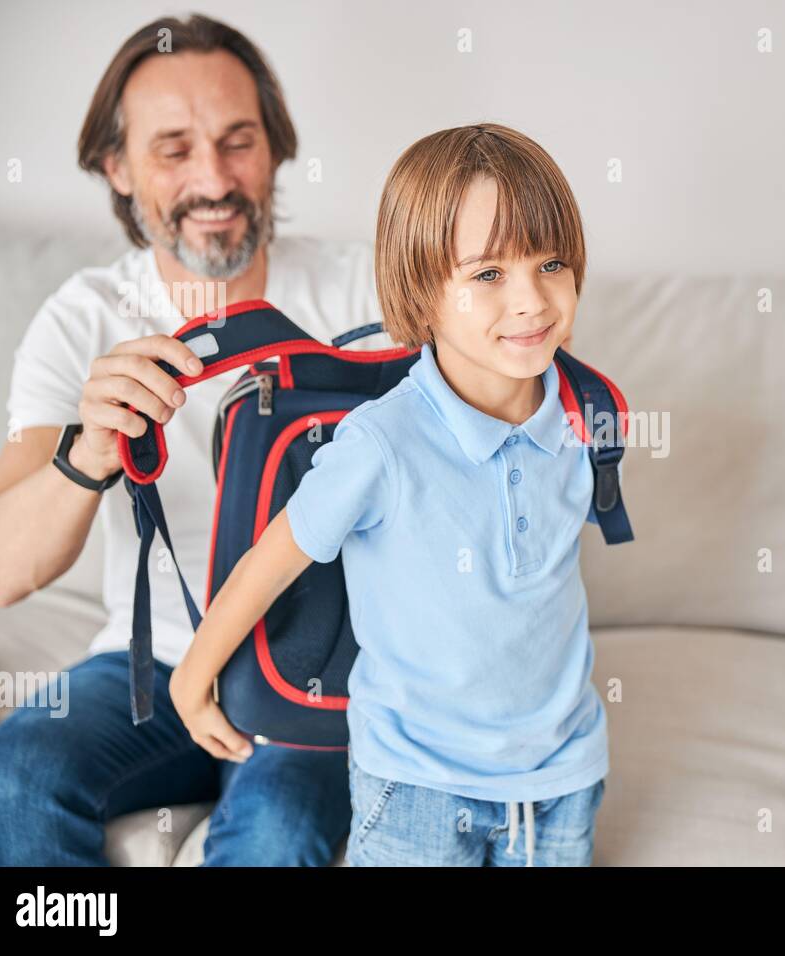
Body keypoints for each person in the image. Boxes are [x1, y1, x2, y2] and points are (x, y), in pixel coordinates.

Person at [0, 14, 385, 865]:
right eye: (173, 149)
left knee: (275, 833)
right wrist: (87, 454)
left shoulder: (368, 292)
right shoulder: (80, 319)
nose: (214, 178)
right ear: (117, 169)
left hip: (311, 666)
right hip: (147, 668)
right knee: (13, 779)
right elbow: (1, 574)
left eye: (238, 141)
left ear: (274, 150)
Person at [168, 123, 616, 866]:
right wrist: (192, 679)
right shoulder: (381, 442)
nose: (533, 300)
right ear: (421, 290)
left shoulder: (582, 410)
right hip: (416, 786)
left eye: (552, 261)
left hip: (561, 778)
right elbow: (268, 564)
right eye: (487, 275)